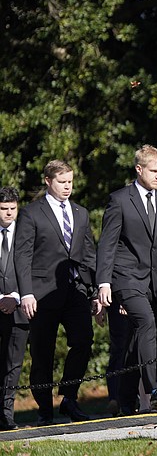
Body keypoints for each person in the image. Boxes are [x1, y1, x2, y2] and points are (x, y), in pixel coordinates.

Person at [96, 145, 157, 414]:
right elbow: (108, 244)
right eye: (154, 171)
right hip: (126, 278)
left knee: (138, 341)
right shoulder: (119, 200)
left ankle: (126, 400)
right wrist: (103, 282)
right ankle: (155, 388)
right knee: (146, 323)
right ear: (139, 169)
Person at [15, 161, 99, 425]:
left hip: (75, 290)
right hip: (42, 292)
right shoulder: (31, 213)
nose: (68, 187)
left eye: (70, 181)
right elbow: (22, 254)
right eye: (62, 182)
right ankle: (44, 410)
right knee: (42, 353)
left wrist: (95, 291)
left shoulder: (81, 213)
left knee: (84, 341)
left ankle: (69, 397)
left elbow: (89, 254)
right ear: (48, 181)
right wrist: (26, 293)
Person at [0, 187, 26, 430]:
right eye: (3, 209)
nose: (9, 213)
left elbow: (31, 269)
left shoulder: (25, 235)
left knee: (13, 363)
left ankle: (7, 413)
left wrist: (15, 297)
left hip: (18, 307)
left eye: (12, 209)